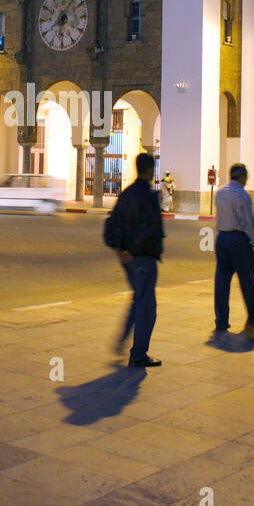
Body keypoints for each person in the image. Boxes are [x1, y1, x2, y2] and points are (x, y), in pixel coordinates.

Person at [104, 153, 165, 367]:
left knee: (138, 298)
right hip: (143, 258)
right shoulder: (148, 196)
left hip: (128, 258)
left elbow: (112, 222)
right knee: (147, 306)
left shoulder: (127, 193)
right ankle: (138, 354)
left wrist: (120, 249)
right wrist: (132, 249)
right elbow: (147, 229)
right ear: (149, 170)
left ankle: (122, 340)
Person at [213, 164, 254, 335]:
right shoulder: (243, 195)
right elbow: (247, 222)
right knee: (247, 280)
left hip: (222, 238)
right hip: (238, 240)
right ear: (242, 177)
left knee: (221, 281)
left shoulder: (220, 192)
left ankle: (221, 320)